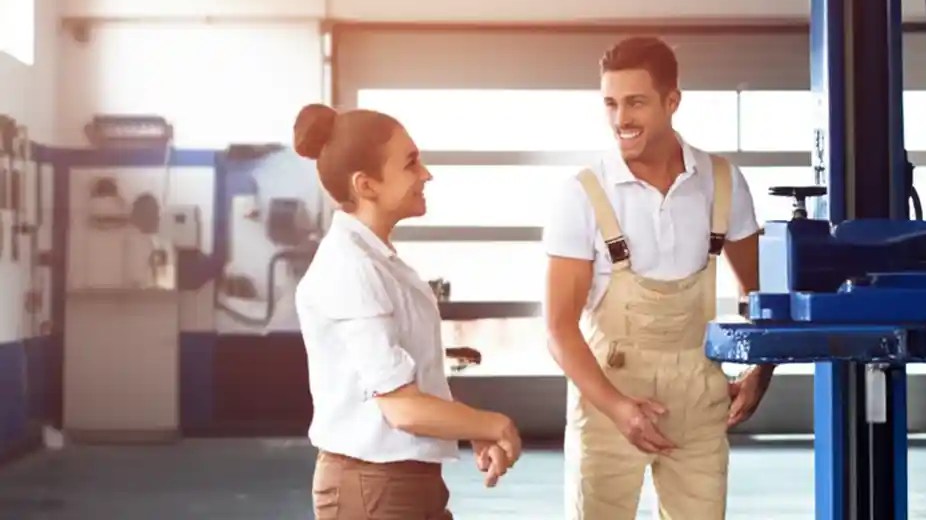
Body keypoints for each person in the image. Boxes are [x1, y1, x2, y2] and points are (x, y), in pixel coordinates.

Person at [543, 36, 775, 519]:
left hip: (699, 390)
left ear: (672, 101)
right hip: (609, 395)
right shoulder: (582, 194)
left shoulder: (723, 182)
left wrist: (761, 370)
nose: (620, 119)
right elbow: (559, 329)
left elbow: (760, 295)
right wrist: (617, 407)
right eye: (610, 103)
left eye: (635, 102)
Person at [293, 103, 523, 520]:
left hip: (398, 483)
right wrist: (494, 424)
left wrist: (469, 427)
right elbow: (401, 406)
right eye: (411, 164)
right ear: (367, 185)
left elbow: (411, 381)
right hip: (373, 488)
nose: (426, 174)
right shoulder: (353, 269)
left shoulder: (376, 260)